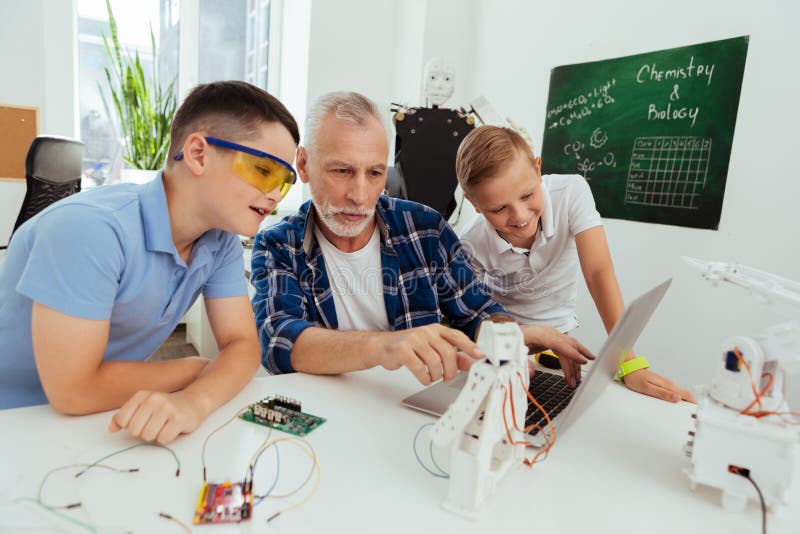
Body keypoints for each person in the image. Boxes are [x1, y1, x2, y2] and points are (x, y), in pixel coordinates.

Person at [0, 81, 300, 444]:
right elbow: (73, 391)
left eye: (285, 181)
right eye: (264, 171)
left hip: (102, 419)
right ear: (198, 154)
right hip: (18, 422)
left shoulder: (219, 241)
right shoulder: (89, 230)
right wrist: (195, 369)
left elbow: (243, 346)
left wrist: (195, 400)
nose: (274, 193)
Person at [251, 91, 594, 388]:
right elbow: (279, 342)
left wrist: (509, 336)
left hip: (412, 409)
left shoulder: (425, 228)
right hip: (330, 412)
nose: (359, 195)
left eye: (375, 173)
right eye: (342, 171)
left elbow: (477, 313)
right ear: (304, 165)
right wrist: (385, 346)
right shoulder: (279, 245)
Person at [456, 125, 695, 403]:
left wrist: (628, 361)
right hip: (508, 346)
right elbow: (469, 317)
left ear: (538, 169)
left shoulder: (571, 192)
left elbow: (598, 272)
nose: (520, 216)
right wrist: (507, 350)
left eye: (527, 195)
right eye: (499, 209)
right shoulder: (469, 243)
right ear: (473, 203)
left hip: (559, 342)